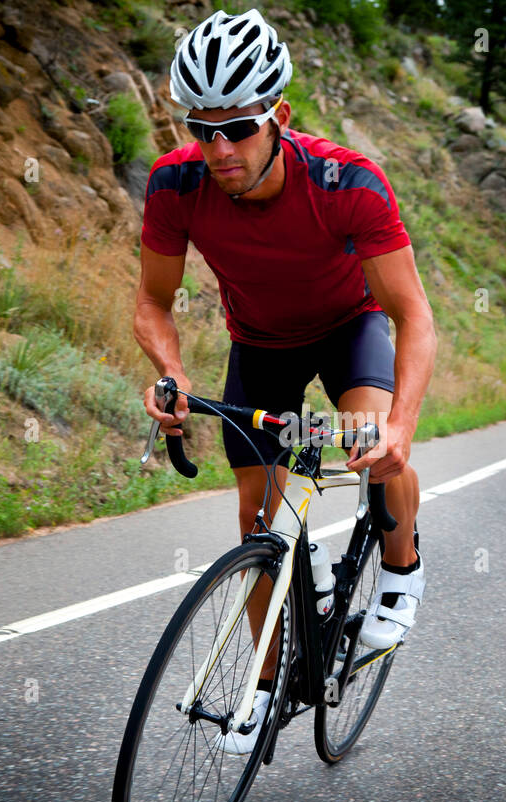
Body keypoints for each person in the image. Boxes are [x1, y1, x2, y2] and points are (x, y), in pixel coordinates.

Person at [133, 8, 436, 754]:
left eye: (238, 127)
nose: (219, 147)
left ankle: (402, 573)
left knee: (370, 441)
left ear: (280, 117)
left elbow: (414, 316)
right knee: (257, 521)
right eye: (202, 128)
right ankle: (267, 685)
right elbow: (151, 303)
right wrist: (170, 374)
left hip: (349, 328)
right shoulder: (176, 187)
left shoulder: (346, 183)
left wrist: (398, 429)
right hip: (260, 343)